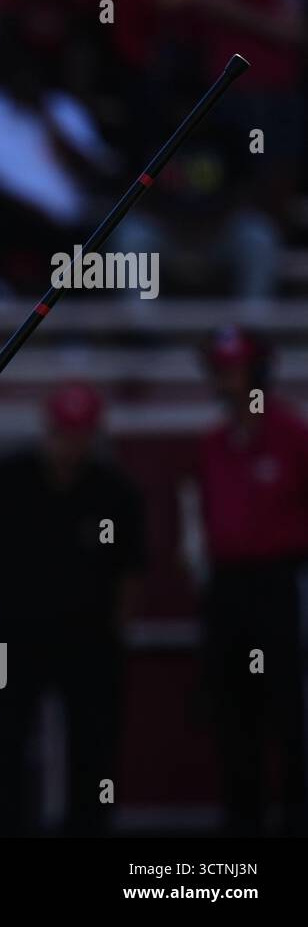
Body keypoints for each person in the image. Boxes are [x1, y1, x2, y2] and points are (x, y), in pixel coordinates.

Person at [0, 382, 146, 834]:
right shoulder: (7, 479)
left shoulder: (115, 492)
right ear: (49, 430)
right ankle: (5, 828)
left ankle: (89, 826)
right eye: (63, 433)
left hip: (90, 639)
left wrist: (118, 631)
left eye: (79, 435)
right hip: (17, 635)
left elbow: (131, 569)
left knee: (93, 746)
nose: (70, 446)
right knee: (8, 742)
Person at [196, 326, 308, 835]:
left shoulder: (292, 436)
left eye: (234, 368)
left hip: (280, 585)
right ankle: (242, 829)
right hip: (227, 589)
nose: (225, 380)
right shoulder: (214, 443)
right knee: (232, 714)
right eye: (220, 369)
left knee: (290, 711)